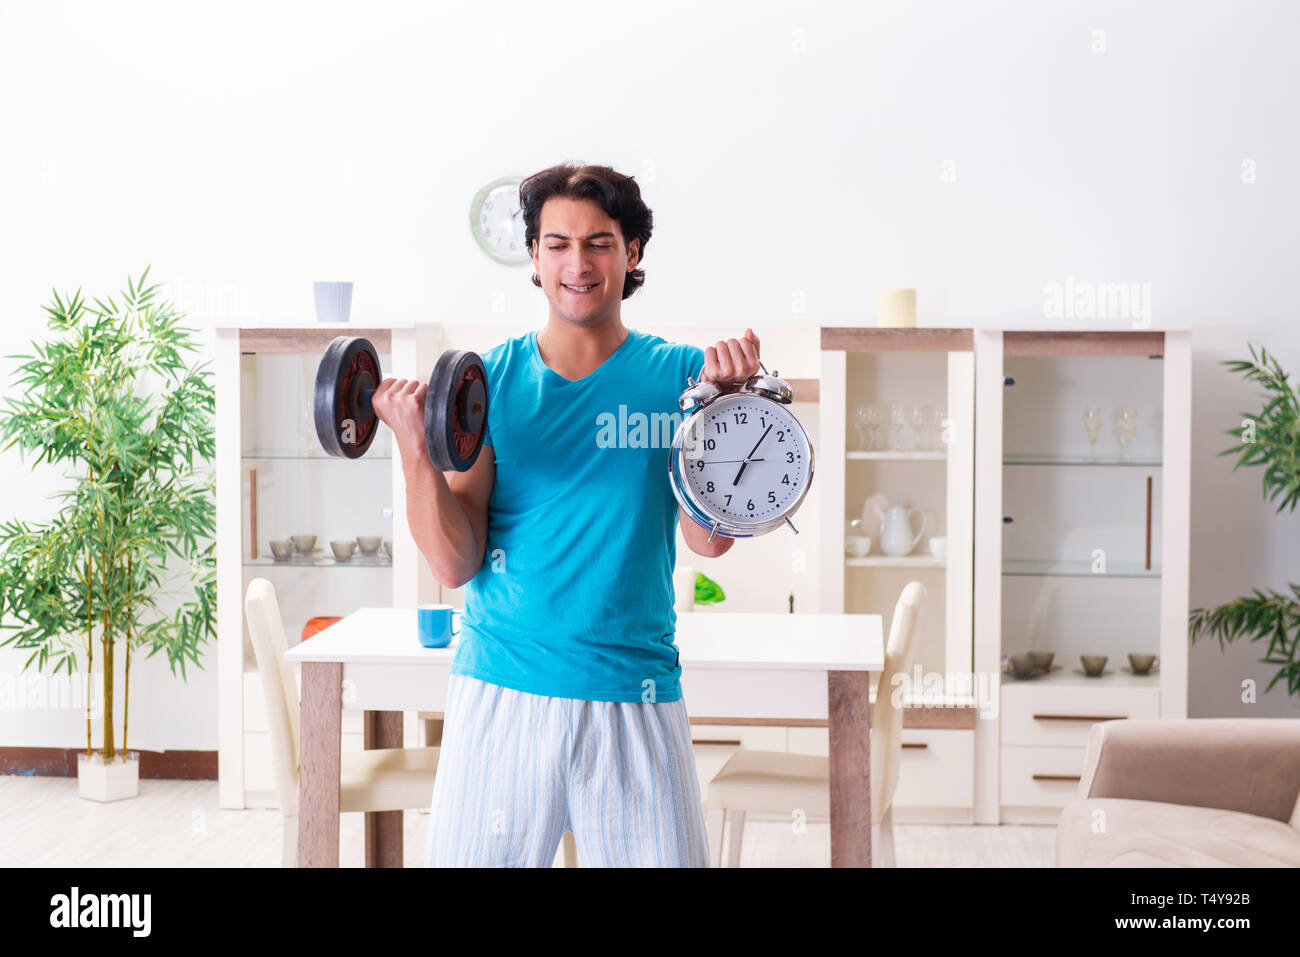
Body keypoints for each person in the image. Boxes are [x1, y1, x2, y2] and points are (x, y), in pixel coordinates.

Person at [372, 162, 760, 867]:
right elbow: (456, 559)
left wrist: (728, 413)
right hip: (502, 691)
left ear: (632, 252)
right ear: (534, 256)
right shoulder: (485, 383)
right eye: (557, 243)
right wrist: (415, 452)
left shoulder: (682, 379)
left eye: (599, 243)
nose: (576, 263)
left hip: (632, 692)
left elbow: (709, 541)